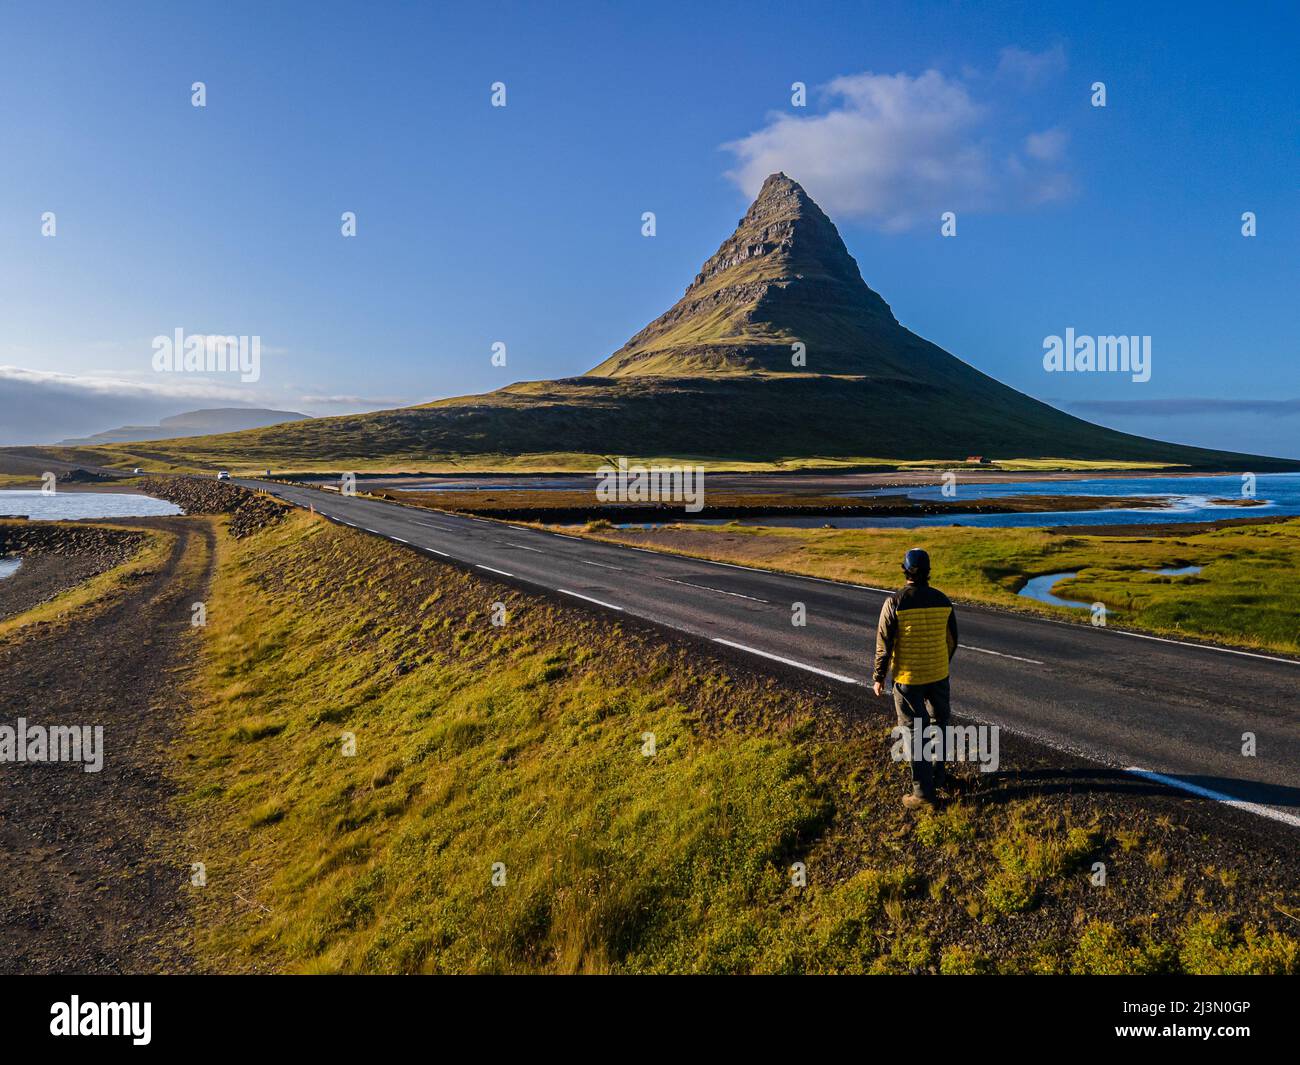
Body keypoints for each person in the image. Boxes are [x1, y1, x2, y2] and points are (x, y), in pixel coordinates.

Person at [872, 548, 959, 809]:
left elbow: (884, 645)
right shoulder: (943, 600)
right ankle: (939, 775)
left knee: (913, 732)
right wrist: (941, 663)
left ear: (905, 571)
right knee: (940, 724)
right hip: (938, 675)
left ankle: (922, 794)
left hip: (908, 678)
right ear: (928, 571)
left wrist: (879, 676)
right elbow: (952, 640)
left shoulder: (895, 602)